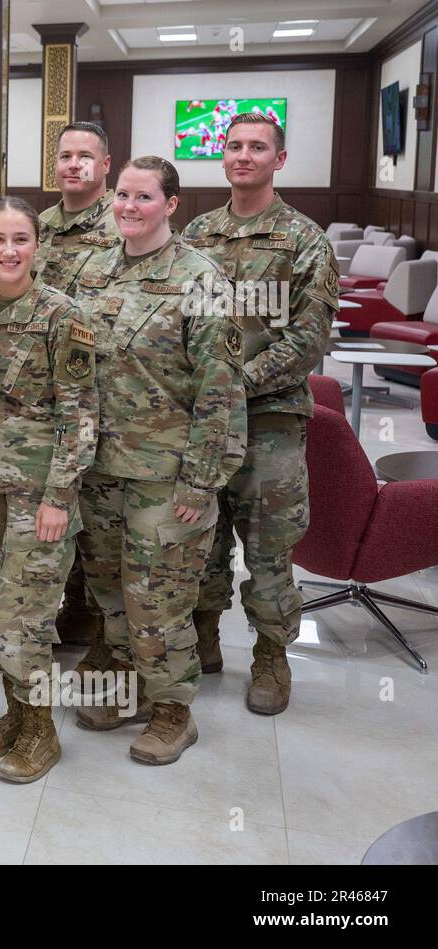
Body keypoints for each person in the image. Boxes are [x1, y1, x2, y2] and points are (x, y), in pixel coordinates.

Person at [70, 156, 247, 765]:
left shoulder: (203, 280)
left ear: (171, 205)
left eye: (143, 198)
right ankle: (132, 691)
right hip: (99, 468)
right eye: (122, 195)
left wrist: (199, 484)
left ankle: (175, 711)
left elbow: (218, 393)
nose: (128, 207)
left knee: (158, 600)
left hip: (167, 476)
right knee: (109, 591)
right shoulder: (92, 270)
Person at [182, 113, 338, 714]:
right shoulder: (197, 233)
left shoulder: (304, 238)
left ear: (280, 158)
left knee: (269, 548)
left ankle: (272, 654)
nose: (243, 155)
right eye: (234, 145)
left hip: (269, 419)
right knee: (202, 537)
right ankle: (205, 637)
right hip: (205, 424)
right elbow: (184, 325)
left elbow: (307, 340)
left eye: (257, 147)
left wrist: (231, 385)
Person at [0, 197, 98, 783]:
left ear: (38, 246)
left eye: (20, 239)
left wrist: (59, 498)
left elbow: (82, 412)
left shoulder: (63, 316)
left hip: (38, 492)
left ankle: (41, 730)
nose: (9, 251)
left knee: (28, 616)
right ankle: (15, 713)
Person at [36, 122, 121, 654]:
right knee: (59, 510)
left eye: (85, 156)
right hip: (44, 401)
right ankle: (74, 611)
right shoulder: (37, 227)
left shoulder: (124, 222)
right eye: (65, 155)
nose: (73, 165)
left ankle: (110, 633)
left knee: (104, 526)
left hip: (107, 398)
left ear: (105, 165)